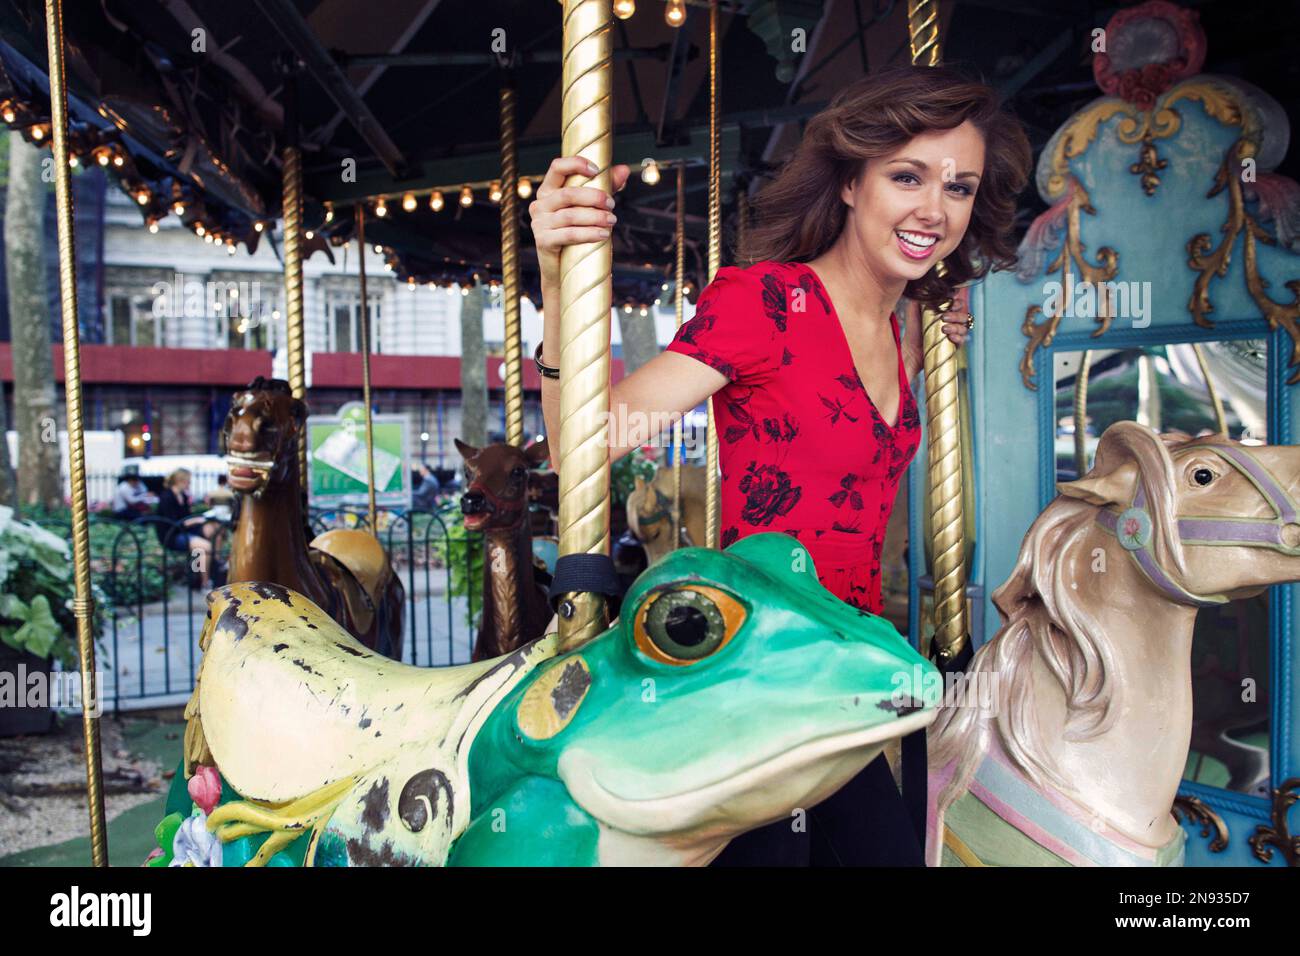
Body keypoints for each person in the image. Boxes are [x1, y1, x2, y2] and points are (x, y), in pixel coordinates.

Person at [529, 65, 1031, 865]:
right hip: (754, 689)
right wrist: (558, 281)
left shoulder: (914, 329)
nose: (935, 208)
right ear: (849, 185)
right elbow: (580, 445)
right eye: (906, 176)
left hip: (849, 688)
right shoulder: (765, 303)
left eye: (959, 187)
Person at [156, 468, 216, 589]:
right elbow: (173, 523)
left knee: (213, 528)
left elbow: (187, 516)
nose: (190, 484)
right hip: (172, 535)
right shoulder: (166, 497)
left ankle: (215, 563)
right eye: (188, 481)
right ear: (180, 481)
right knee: (205, 547)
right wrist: (194, 520)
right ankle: (205, 583)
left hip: (184, 531)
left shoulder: (182, 495)